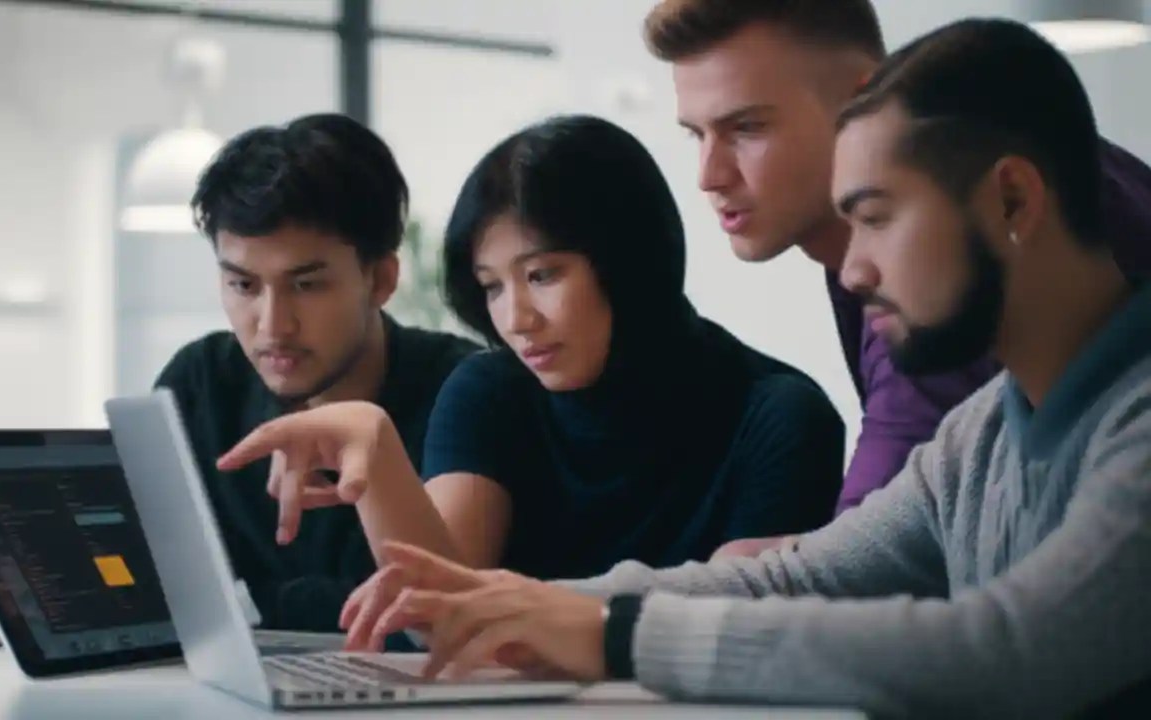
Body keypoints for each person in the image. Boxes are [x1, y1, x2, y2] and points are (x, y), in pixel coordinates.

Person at [297, 19, 1151, 718]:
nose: (851, 274)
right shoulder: (978, 435)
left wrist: (610, 635)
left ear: (1013, 201)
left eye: (879, 219)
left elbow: (1013, 650)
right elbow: (795, 579)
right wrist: (531, 607)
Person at [217, 114, 846, 625]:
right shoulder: (489, 391)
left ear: (626, 258)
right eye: (492, 287)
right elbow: (440, 608)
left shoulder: (778, 414)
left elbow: (727, 629)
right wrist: (375, 447)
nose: (515, 319)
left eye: (543, 275)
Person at [639, 0, 1151, 557]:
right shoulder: (884, 242)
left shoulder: (959, 250)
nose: (709, 176)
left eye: (746, 128)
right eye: (696, 135)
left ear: (861, 99)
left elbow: (874, 572)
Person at [154, 114, 479, 632]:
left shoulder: (463, 392)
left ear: (381, 280)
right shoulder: (201, 384)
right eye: (243, 286)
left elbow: (437, 612)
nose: (272, 326)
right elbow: (153, 592)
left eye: (306, 286)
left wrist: (250, 602)